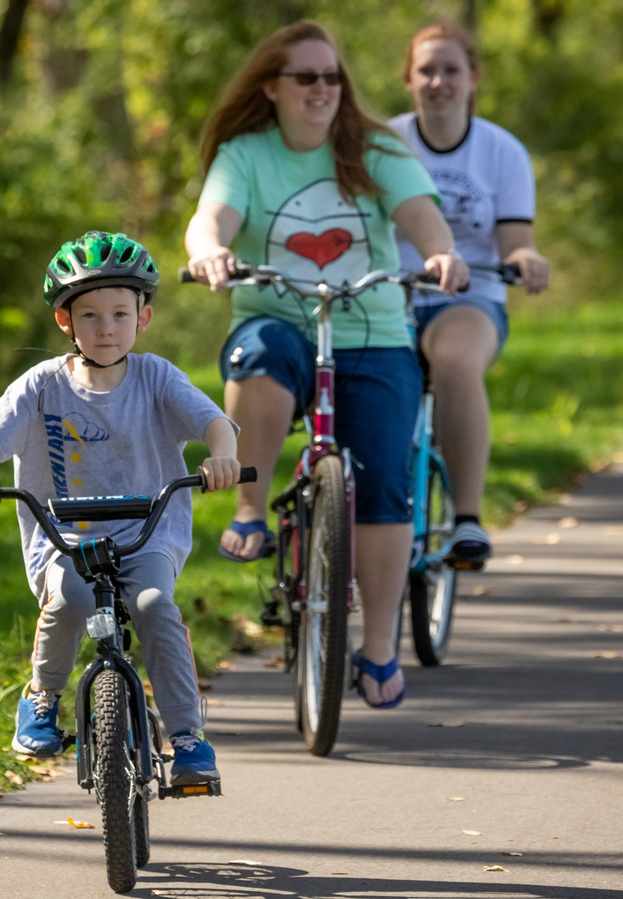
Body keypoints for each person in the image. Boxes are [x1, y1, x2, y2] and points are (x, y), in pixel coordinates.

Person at [183, 20, 468, 709]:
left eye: (331, 77)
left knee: (382, 483)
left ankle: (376, 649)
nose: (321, 89)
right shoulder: (246, 153)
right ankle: (251, 507)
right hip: (279, 319)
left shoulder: (373, 149)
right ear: (272, 87)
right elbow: (211, 217)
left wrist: (441, 253)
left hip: (372, 328)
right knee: (258, 357)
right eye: (306, 77)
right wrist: (210, 249)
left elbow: (421, 216)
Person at [0, 231, 242, 785]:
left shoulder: (157, 378)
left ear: (145, 316)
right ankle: (42, 698)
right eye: (88, 315)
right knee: (68, 599)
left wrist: (223, 457)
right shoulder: (41, 386)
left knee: (156, 605)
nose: (105, 327)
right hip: (65, 538)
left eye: (119, 312)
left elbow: (212, 422)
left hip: (147, 535)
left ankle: (187, 737)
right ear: (65, 322)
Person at [390, 24, 552, 567]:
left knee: (455, 360)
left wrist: (525, 260)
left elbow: (515, 241)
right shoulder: (383, 143)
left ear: (474, 77)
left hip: (471, 298)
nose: (439, 82)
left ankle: (467, 522)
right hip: (388, 299)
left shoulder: (502, 151)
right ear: (408, 80)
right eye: (426, 71)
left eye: (451, 70)